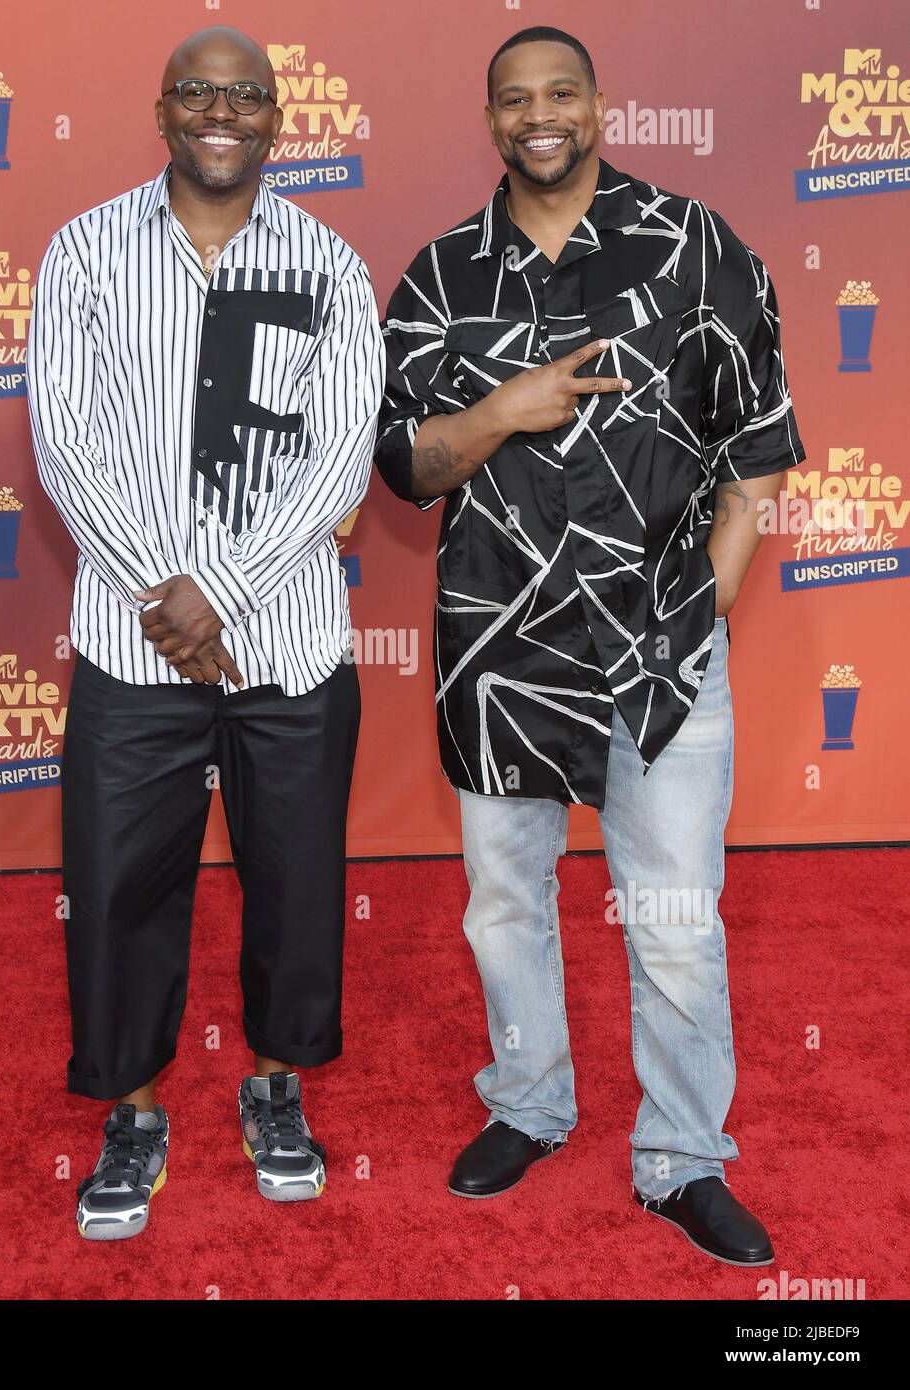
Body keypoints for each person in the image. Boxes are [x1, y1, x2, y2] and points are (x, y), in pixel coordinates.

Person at [374, 26, 804, 1266]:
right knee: (505, 901)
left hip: (658, 653)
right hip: (497, 650)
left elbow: (758, 454)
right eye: (514, 100)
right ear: (490, 119)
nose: (538, 116)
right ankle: (527, 1102)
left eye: (559, 93)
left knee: (672, 916)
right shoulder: (443, 273)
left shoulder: (697, 247)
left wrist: (707, 601)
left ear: (599, 106)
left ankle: (680, 1155)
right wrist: (499, 412)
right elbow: (403, 467)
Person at [26, 25, 383, 1238]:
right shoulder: (82, 252)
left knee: (295, 885)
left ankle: (275, 1087)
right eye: (198, 92)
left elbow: (340, 455)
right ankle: (131, 1109)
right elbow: (66, 442)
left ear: (279, 117)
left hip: (287, 644)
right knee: (119, 885)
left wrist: (216, 594)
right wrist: (160, 592)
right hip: (132, 650)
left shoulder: (330, 264)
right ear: (162, 109)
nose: (220, 111)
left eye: (245, 94)